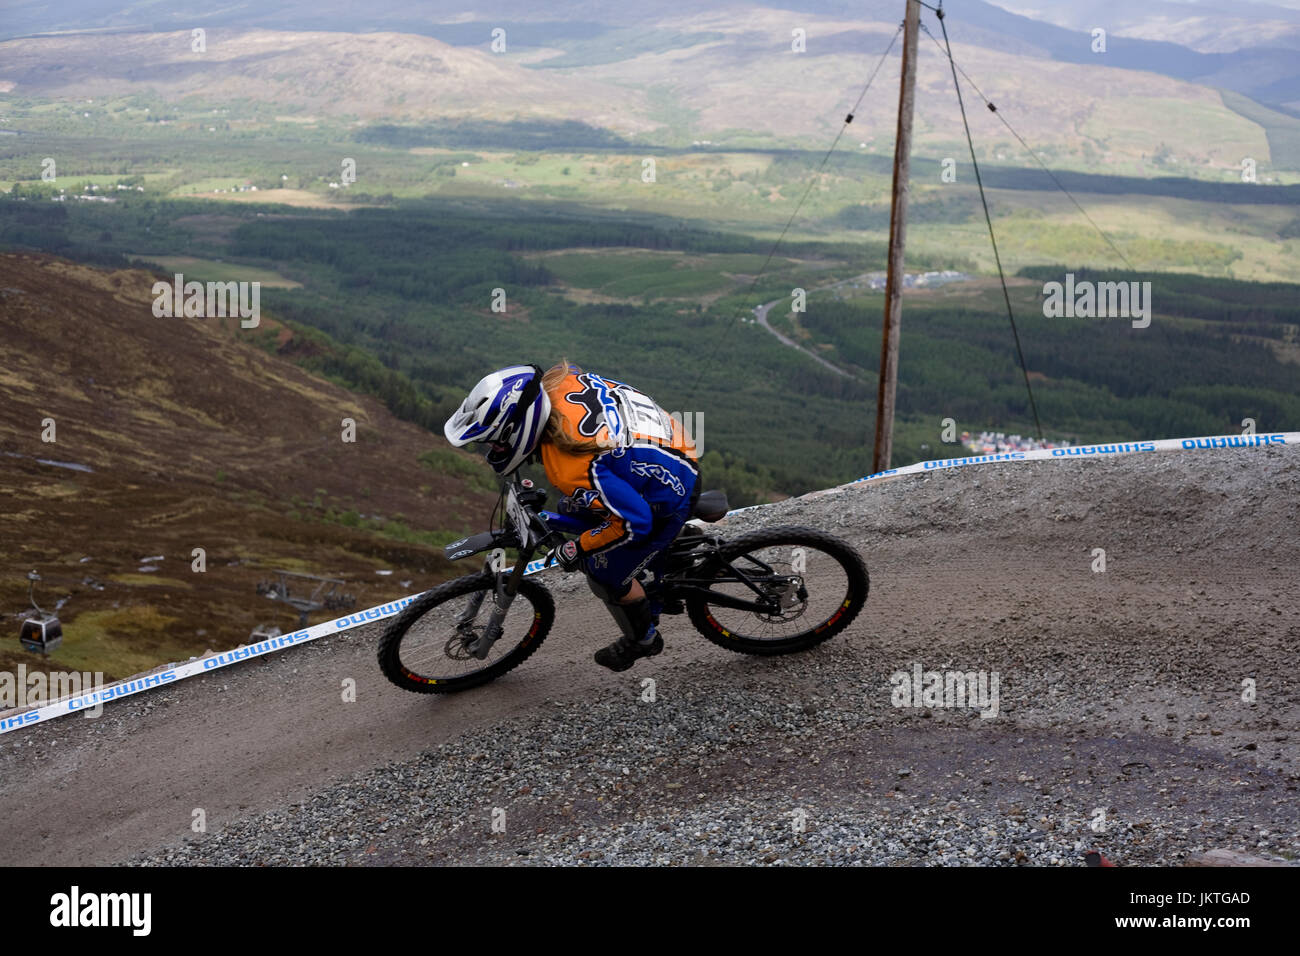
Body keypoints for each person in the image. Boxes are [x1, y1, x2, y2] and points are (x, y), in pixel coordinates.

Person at [443, 360, 700, 671]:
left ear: (520, 429)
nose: (494, 450)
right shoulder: (559, 381)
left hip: (669, 491)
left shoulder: (572, 469)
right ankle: (669, 552)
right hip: (672, 441)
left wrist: (577, 548)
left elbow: (635, 522)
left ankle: (643, 639)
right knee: (570, 508)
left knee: (604, 573)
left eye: (498, 441)